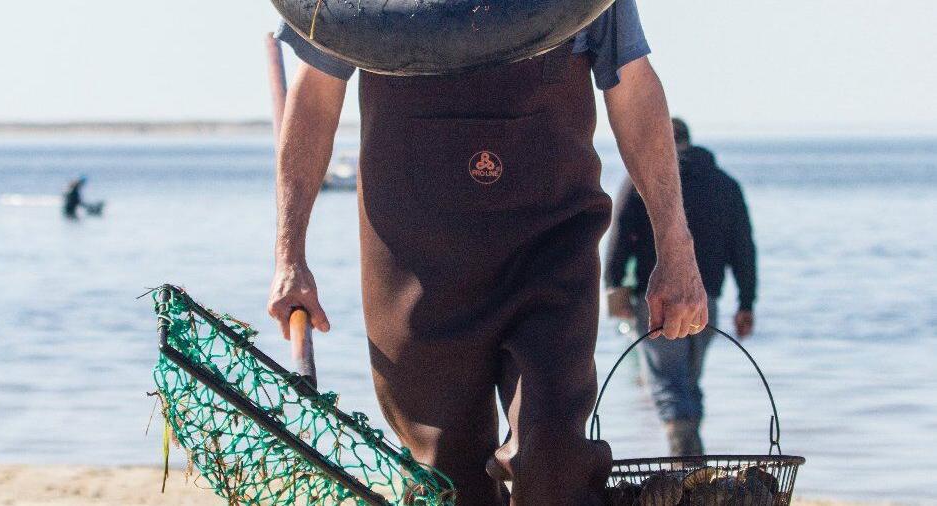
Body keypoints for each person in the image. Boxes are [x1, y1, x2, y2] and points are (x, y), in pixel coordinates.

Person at [268, 3, 709, 504]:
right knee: (445, 478)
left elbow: (633, 88)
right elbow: (315, 96)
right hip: (413, 266)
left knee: (552, 458)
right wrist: (290, 257)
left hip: (548, 251)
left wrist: (676, 249)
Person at [605, 118, 757, 457]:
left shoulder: (642, 181)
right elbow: (744, 249)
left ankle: (683, 458)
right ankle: (694, 464)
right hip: (707, 301)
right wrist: (746, 304)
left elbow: (619, 239)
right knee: (688, 383)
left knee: (668, 382)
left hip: (657, 300)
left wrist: (614, 289)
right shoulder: (725, 185)